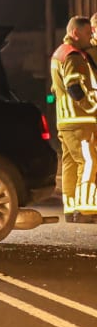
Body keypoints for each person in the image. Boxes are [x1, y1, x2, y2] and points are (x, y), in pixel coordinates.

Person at [52, 16, 97, 223]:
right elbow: (74, 88)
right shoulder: (74, 56)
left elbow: (58, 88)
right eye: (88, 33)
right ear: (75, 33)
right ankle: (86, 209)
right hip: (80, 121)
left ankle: (71, 209)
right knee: (89, 162)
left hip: (65, 121)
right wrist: (92, 107)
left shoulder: (60, 53)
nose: (91, 37)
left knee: (70, 164)